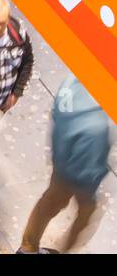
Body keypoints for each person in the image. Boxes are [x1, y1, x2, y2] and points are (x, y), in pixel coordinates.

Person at [18, 76, 111, 254]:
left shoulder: (72, 81)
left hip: (61, 155)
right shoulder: (97, 127)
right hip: (79, 171)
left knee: (49, 201)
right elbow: (88, 171)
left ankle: (27, 248)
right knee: (86, 212)